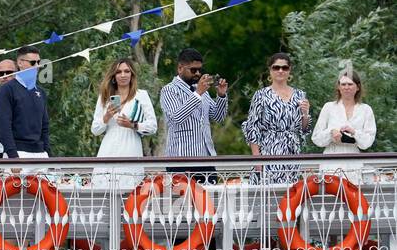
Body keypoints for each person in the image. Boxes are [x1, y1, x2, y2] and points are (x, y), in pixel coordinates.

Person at [241, 53, 310, 185]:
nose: (280, 71)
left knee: (290, 196)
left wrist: (305, 114)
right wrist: (257, 159)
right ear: (270, 70)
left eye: (284, 68)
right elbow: (252, 127)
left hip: (292, 152)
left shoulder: (300, 94)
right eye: (276, 67)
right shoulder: (261, 95)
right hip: (269, 150)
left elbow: (303, 129)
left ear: (289, 70)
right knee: (268, 195)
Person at [91, 57, 157, 186]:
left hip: (131, 146)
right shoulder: (104, 97)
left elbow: (153, 127)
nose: (123, 75)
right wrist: (107, 116)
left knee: (130, 190)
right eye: (119, 72)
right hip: (109, 148)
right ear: (114, 76)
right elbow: (95, 130)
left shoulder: (141, 95)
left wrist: (132, 125)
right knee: (105, 191)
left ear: (132, 74)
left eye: (127, 71)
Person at [160, 48, 229, 171]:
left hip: (207, 159)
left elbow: (219, 117)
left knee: (209, 191)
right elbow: (177, 117)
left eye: (199, 70)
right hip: (181, 161)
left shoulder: (201, 90)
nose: (197, 73)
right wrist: (198, 93)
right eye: (193, 70)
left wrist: (221, 95)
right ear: (180, 68)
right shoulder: (169, 90)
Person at [311, 69, 375, 181]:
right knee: (329, 196)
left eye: (350, 84)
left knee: (354, 196)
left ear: (357, 87)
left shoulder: (366, 110)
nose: (346, 87)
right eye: (343, 84)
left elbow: (367, 143)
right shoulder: (328, 107)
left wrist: (354, 132)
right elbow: (316, 138)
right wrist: (331, 132)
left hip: (354, 161)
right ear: (339, 87)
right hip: (331, 160)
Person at [0, 47, 50, 160]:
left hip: (41, 153)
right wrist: (12, 155)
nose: (37, 66)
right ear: (20, 63)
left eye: (39, 62)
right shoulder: (7, 89)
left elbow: (44, 126)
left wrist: (48, 154)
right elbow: (3, 125)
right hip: (17, 152)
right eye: (33, 62)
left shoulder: (41, 92)